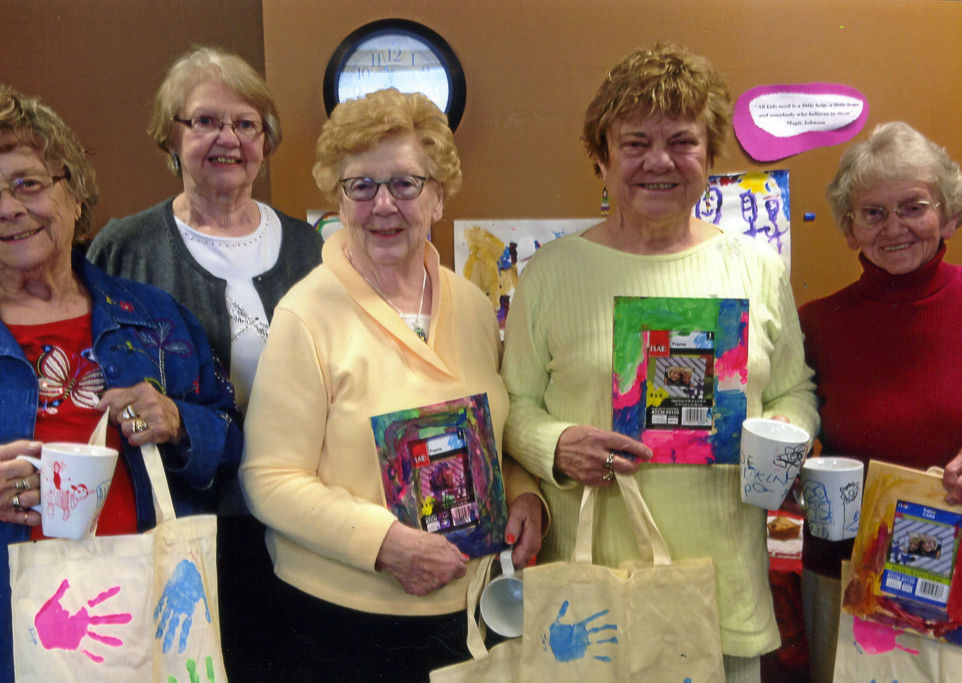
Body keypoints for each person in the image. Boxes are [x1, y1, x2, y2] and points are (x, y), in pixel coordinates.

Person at [500, 43, 818, 683]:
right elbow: (513, 407)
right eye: (635, 143)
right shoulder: (553, 273)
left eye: (682, 141)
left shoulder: (755, 268)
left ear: (710, 154)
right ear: (601, 157)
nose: (660, 161)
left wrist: (785, 433)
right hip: (591, 602)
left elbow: (795, 389)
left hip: (722, 590)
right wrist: (557, 445)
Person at [0, 83, 241, 682]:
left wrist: (179, 424)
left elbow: (232, 443)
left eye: (28, 183)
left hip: (140, 637)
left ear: (72, 190)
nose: (9, 209)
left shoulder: (155, 319)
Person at [238, 88, 545, 679]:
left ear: (438, 196)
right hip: (342, 628)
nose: (383, 204)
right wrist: (385, 544)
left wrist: (523, 491)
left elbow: (489, 433)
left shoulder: (474, 305)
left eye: (405, 183)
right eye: (361, 185)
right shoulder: (306, 313)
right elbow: (268, 479)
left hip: (469, 613)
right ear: (339, 199)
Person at [86, 47, 322, 678]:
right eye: (206, 121)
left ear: (266, 141)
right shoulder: (125, 247)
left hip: (299, 514)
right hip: (180, 518)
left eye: (246, 124)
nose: (229, 139)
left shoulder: (311, 246)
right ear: (171, 135)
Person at [798, 121, 962, 682]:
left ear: (949, 215)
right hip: (844, 573)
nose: (894, 227)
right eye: (873, 212)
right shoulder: (817, 323)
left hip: (956, 577)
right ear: (850, 228)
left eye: (914, 207)